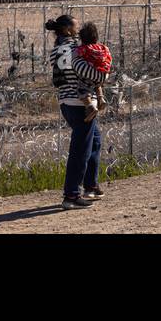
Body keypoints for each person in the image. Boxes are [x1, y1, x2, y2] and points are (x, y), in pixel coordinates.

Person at [46, 14, 110, 209]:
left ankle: (90, 185)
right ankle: (71, 194)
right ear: (67, 30)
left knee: (95, 140)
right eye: (75, 26)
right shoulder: (78, 49)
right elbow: (87, 73)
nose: (78, 29)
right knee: (80, 149)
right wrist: (99, 88)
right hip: (80, 102)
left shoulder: (57, 50)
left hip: (66, 101)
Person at [75, 22, 112, 123]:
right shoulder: (103, 47)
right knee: (97, 84)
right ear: (96, 37)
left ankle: (90, 106)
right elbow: (109, 57)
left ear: (82, 39)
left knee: (83, 88)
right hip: (102, 73)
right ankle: (101, 98)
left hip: (89, 73)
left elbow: (76, 55)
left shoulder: (83, 48)